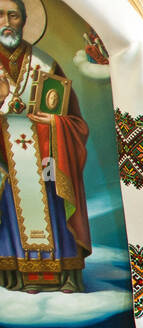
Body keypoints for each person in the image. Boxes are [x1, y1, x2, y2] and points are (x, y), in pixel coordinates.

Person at [0, 0, 92, 292]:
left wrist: (54, 124)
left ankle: (64, 274)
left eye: (13, 15)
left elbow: (74, 120)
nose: (6, 21)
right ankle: (16, 274)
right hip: (4, 160)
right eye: (0, 15)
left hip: (45, 159)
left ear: (24, 21)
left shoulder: (45, 63)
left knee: (51, 203)